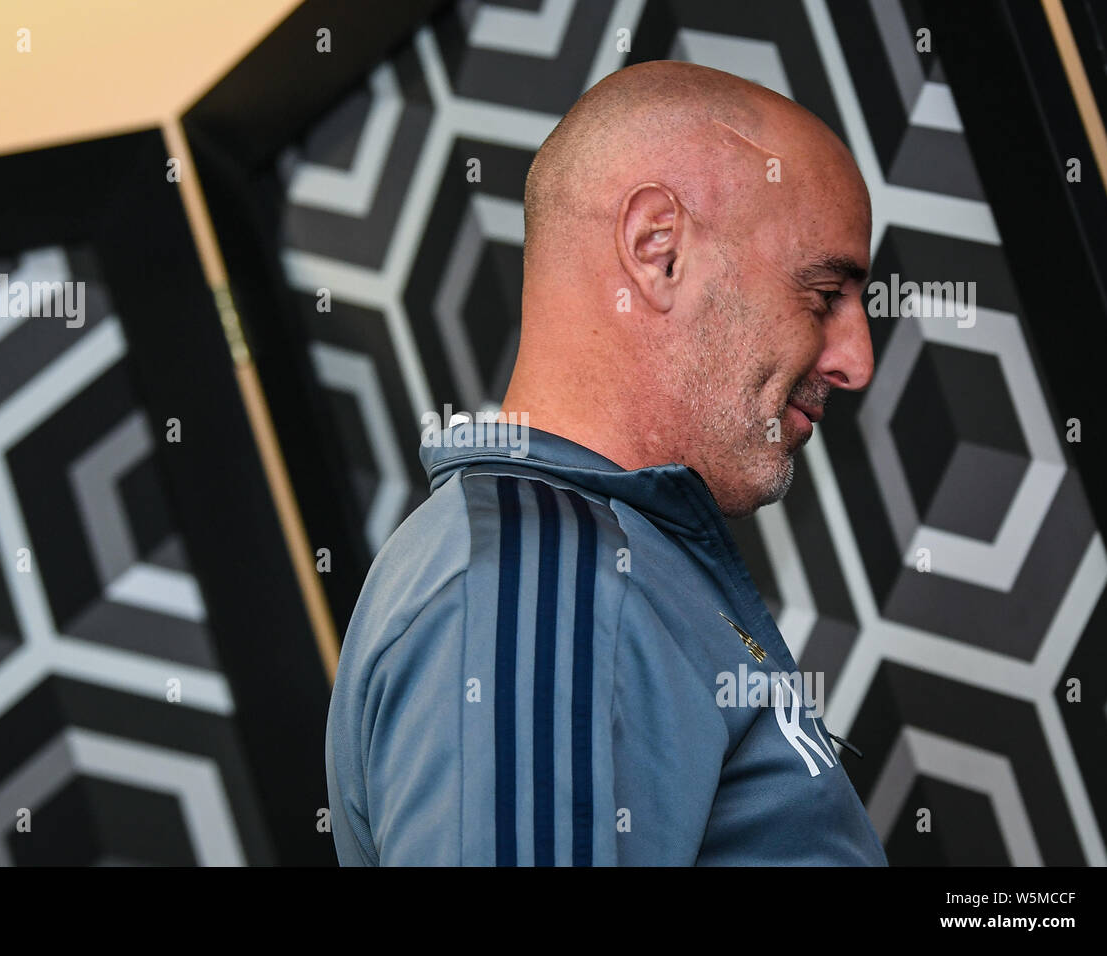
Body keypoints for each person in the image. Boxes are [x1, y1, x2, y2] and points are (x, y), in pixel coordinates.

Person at [325, 60, 886, 865]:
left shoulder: (588, 563)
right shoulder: (539, 580)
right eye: (824, 292)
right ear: (657, 250)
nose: (855, 361)